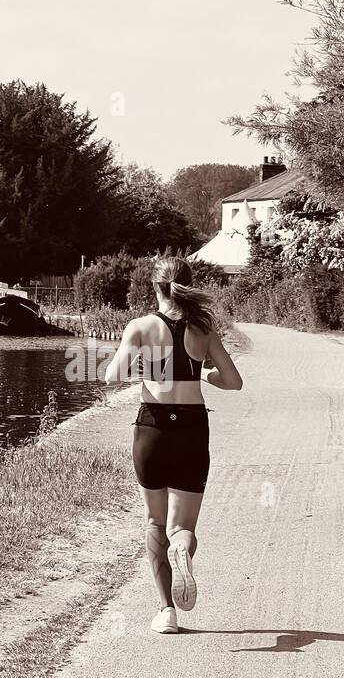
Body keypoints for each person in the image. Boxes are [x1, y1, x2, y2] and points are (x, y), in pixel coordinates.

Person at [103, 256, 243, 634]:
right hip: (192, 430)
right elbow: (234, 381)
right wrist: (206, 375)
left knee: (154, 521)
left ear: (155, 287)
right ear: (188, 285)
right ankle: (182, 548)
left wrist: (147, 366)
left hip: (152, 428)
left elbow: (111, 376)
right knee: (181, 528)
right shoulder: (203, 329)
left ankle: (166, 611)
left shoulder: (141, 326)